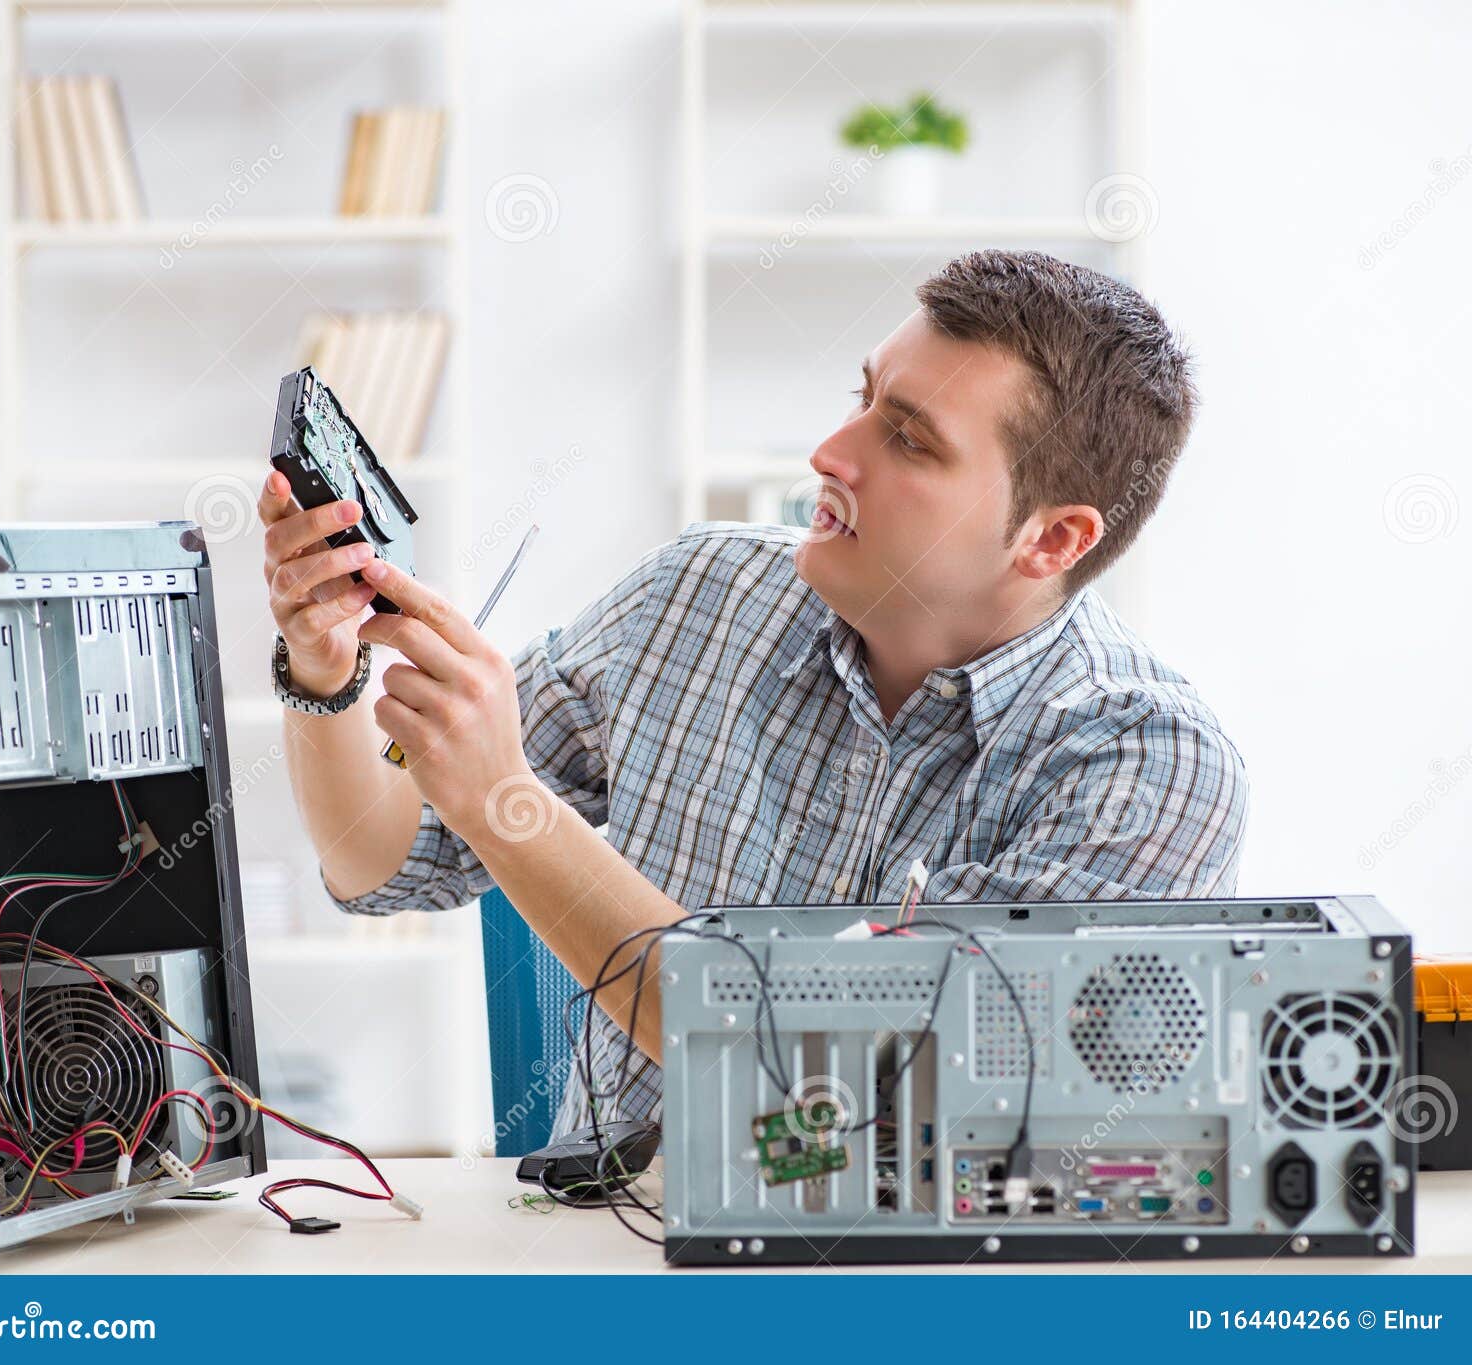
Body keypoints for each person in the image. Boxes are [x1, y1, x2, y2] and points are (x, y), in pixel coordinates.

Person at [258, 248, 1247, 1135]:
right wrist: (327, 670)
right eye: (862, 399)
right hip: (607, 1252)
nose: (832, 451)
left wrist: (504, 802)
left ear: (1052, 539)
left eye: (907, 440)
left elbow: (859, 1096)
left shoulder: (1147, 765)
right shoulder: (696, 591)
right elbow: (387, 866)